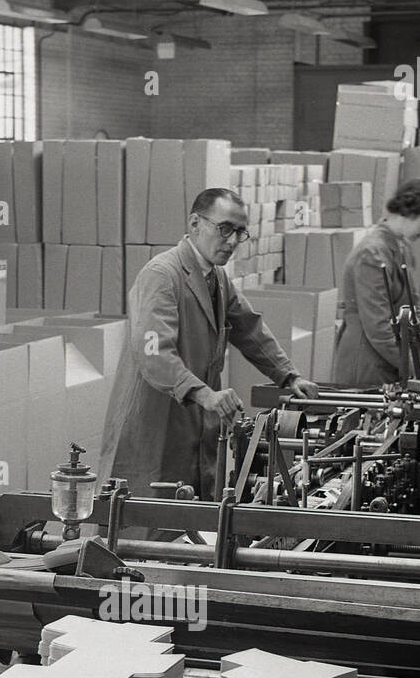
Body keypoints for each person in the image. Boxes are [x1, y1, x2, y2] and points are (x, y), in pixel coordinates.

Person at [98, 188, 322, 499]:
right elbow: (154, 352)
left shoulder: (217, 278)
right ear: (194, 223)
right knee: (145, 526)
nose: (232, 241)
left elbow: (250, 327)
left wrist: (288, 376)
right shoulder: (162, 275)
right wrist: (204, 394)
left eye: (240, 233)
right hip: (156, 424)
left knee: (191, 526)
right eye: (225, 229)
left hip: (196, 421)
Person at [332, 178, 420, 388]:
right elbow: (377, 326)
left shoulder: (399, 247)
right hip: (366, 360)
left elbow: (413, 306)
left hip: (389, 357)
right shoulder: (372, 254)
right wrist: (417, 368)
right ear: (407, 213)